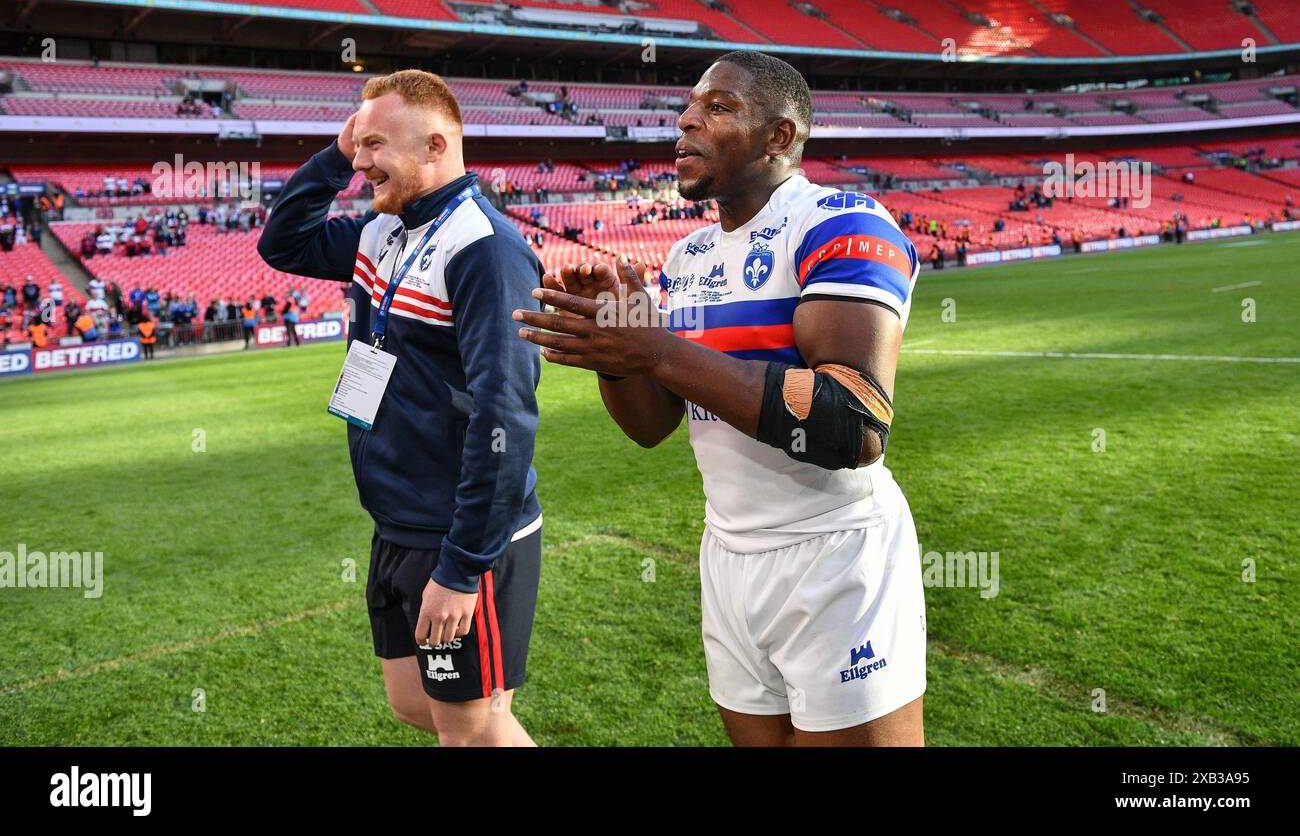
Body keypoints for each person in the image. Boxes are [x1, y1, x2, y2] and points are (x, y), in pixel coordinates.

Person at [516, 51, 925, 747]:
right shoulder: (689, 257)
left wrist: (658, 351)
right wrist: (616, 354)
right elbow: (652, 427)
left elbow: (852, 424)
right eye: (689, 107)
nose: (686, 120)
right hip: (728, 555)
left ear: (779, 137)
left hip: (835, 554)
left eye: (719, 108)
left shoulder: (841, 224)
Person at [258, 69, 544, 747]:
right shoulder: (383, 233)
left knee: (470, 728)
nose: (360, 163)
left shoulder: (485, 248)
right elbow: (283, 244)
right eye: (357, 146)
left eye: (375, 144)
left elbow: (503, 417)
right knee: (414, 702)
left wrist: (463, 564)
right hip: (397, 524)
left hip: (460, 536)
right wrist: (333, 153)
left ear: (435, 145)